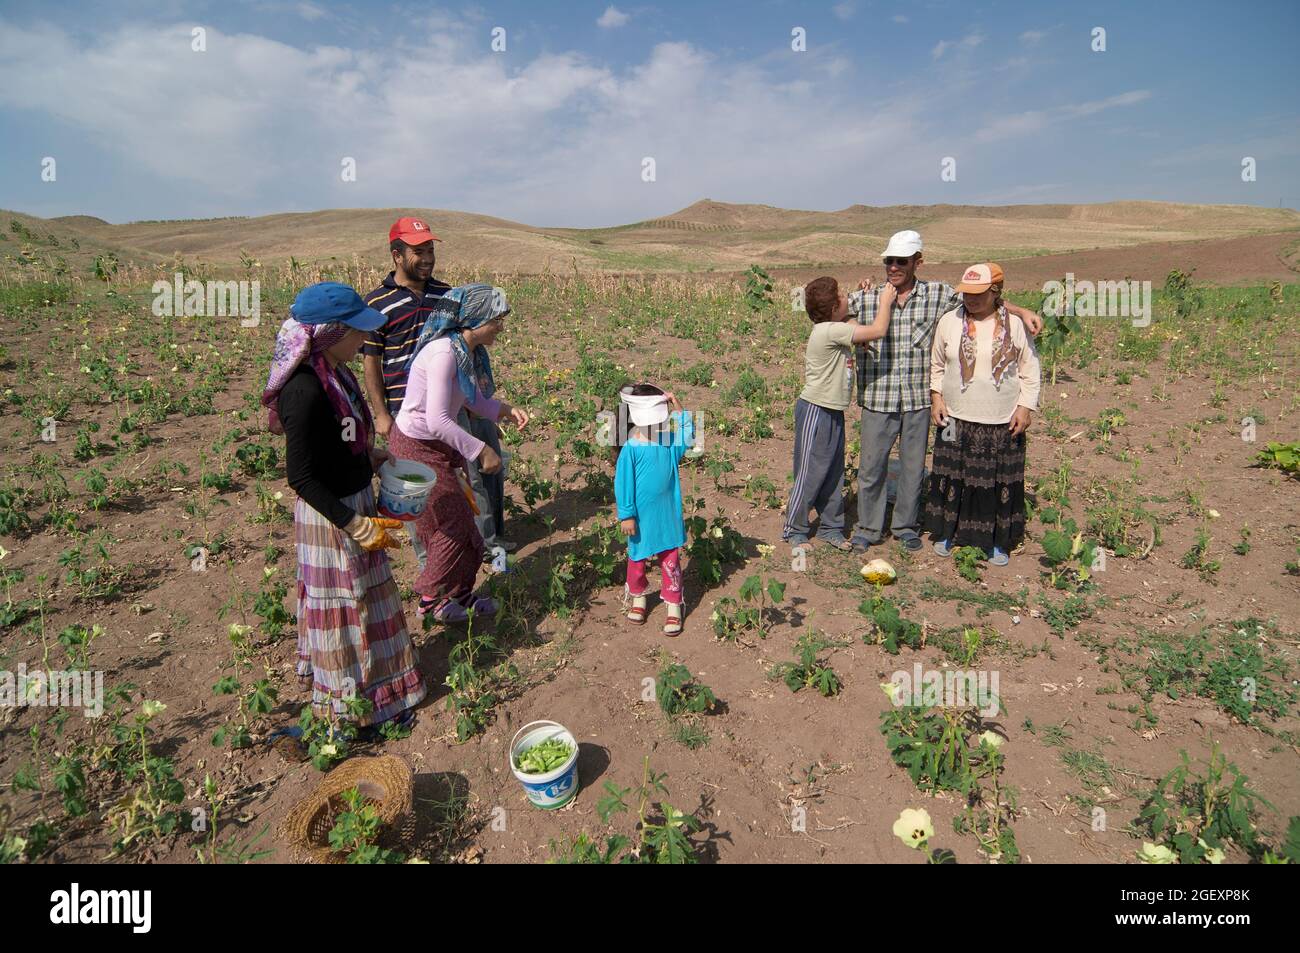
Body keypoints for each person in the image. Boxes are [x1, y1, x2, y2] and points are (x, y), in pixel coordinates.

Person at [263, 282, 426, 728]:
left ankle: (381, 692)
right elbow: (301, 476)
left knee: (367, 602)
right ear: (333, 333)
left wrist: (366, 456)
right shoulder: (305, 390)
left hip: (353, 502)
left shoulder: (335, 374)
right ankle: (352, 711)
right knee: (346, 607)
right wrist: (353, 522)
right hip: (332, 518)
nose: (364, 339)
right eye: (357, 332)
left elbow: (338, 440)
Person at [851, 230, 1042, 553]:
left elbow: (983, 298)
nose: (893, 267)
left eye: (901, 261)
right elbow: (831, 314)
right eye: (889, 261)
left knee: (913, 468)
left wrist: (1022, 312)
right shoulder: (866, 299)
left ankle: (906, 527)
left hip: (916, 398)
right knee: (871, 466)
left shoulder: (938, 295)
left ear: (917, 262)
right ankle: (868, 528)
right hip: (878, 397)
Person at [387, 289, 529, 622]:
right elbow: (437, 420)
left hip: (435, 447)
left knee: (466, 524)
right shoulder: (443, 354)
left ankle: (461, 593)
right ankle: (430, 599)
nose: (500, 328)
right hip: (415, 448)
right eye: (496, 321)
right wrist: (481, 450)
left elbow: (472, 400)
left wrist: (504, 410)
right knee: (450, 526)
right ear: (475, 321)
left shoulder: (463, 351)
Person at [925, 263, 1041, 565]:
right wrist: (937, 398)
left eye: (978, 293)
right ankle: (948, 533)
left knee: (996, 481)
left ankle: (996, 542)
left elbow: (1030, 370)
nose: (971, 299)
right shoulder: (949, 322)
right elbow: (937, 365)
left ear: (995, 291)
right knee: (953, 476)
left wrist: (1025, 407)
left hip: (1001, 419)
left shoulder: (1014, 325)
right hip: (954, 418)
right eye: (966, 293)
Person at [362, 218, 453, 575]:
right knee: (417, 491)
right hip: (405, 412)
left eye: (430, 250)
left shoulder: (446, 295)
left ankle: (459, 549)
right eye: (419, 251)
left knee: (451, 483)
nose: (428, 257)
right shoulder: (376, 303)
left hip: (447, 408)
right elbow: (372, 363)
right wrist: (381, 414)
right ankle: (430, 566)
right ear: (397, 255)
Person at [783, 275, 895, 549]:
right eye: (842, 296)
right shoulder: (828, 331)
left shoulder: (833, 325)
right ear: (833, 308)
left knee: (833, 471)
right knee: (809, 470)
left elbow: (852, 324)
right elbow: (878, 330)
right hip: (815, 409)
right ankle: (795, 528)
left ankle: (831, 527)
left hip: (832, 410)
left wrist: (856, 297)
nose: (848, 297)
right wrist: (886, 300)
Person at [614, 384, 695, 636]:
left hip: (667, 515)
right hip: (640, 518)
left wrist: (676, 405)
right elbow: (623, 484)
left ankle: (673, 605)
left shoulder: (669, 444)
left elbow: (689, 434)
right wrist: (626, 514)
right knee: (637, 560)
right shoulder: (630, 449)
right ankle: (639, 599)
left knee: (671, 562)